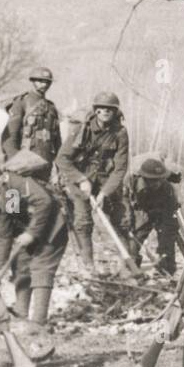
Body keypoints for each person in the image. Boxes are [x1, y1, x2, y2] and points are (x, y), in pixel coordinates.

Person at [56, 91, 130, 272]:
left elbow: (120, 168)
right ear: (95, 111)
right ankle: (88, 266)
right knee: (83, 222)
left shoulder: (120, 132)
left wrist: (105, 192)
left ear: (115, 112)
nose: (105, 112)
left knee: (122, 221)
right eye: (101, 109)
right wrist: (81, 179)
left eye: (110, 109)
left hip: (106, 181)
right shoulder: (82, 128)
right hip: (79, 179)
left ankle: (127, 267)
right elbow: (62, 159)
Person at [0, 149, 70, 324]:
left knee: (41, 267)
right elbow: (5, 230)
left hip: (54, 227)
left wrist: (31, 233)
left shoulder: (14, 181)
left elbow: (44, 201)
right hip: (34, 226)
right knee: (21, 263)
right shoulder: (6, 191)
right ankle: (21, 312)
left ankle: (38, 321)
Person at [127, 155, 179, 276]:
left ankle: (166, 270)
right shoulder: (131, 184)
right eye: (153, 179)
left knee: (167, 240)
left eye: (160, 179)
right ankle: (132, 271)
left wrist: (166, 243)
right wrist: (127, 224)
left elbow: (170, 219)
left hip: (160, 213)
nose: (158, 183)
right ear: (144, 178)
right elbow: (124, 207)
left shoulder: (167, 189)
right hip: (140, 213)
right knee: (133, 244)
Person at [1, 67, 61, 164]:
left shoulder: (51, 107)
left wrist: (57, 164)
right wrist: (16, 160)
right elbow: (9, 138)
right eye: (40, 81)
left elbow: (57, 140)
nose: (44, 84)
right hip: (25, 162)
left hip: (45, 163)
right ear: (33, 81)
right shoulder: (22, 102)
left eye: (47, 82)